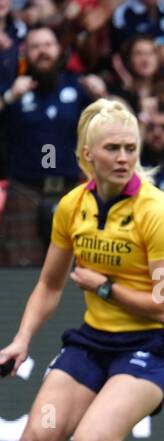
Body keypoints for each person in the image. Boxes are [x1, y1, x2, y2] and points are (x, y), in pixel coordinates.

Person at [0, 99, 164, 441]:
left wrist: (104, 286)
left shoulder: (156, 209)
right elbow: (50, 285)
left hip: (151, 345)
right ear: (87, 155)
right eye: (112, 148)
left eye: (130, 147)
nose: (123, 157)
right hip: (91, 343)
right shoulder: (71, 205)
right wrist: (21, 340)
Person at [0, 26, 105, 266]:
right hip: (24, 190)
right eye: (35, 47)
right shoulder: (12, 87)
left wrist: (103, 94)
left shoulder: (77, 87)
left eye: (48, 45)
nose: (43, 52)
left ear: (59, 50)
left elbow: (115, 122)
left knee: (75, 264)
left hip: (71, 190)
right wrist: (8, 98)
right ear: (25, 53)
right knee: (20, 265)